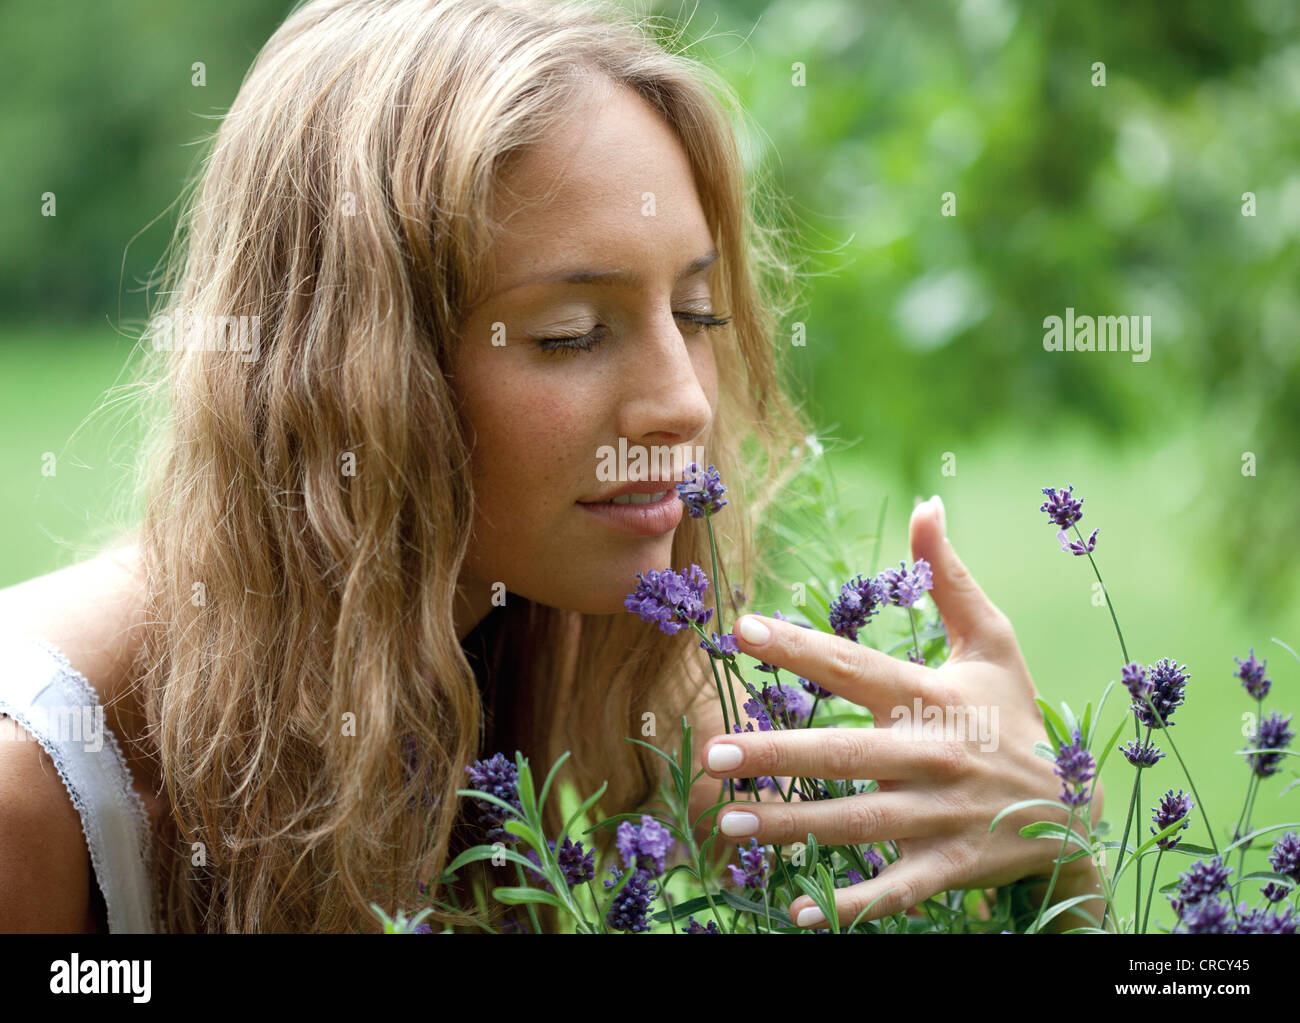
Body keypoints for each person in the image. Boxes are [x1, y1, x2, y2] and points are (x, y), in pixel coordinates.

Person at [0, 0, 1103, 933]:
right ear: (349, 375)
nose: (682, 400)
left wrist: (1051, 851)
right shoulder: (37, 789)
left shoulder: (590, 676)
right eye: (570, 332)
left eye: (698, 310)